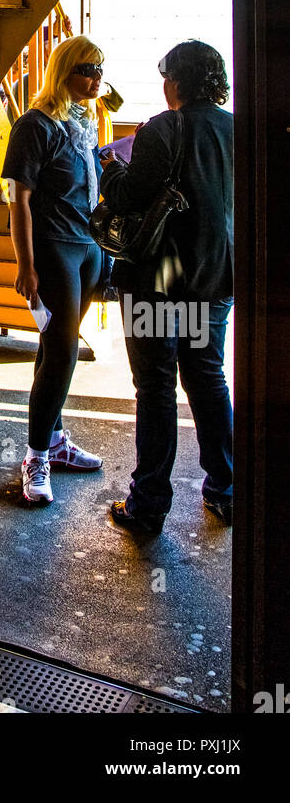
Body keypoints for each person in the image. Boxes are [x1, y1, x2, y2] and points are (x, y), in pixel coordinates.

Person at [100, 41, 233, 534]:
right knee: (207, 377)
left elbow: (130, 197)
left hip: (159, 280)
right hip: (215, 277)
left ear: (176, 81)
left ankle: (149, 503)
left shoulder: (164, 126)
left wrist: (113, 169)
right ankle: (225, 487)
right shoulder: (237, 129)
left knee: (155, 386)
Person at [2, 36, 107, 504]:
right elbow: (18, 200)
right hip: (54, 249)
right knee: (63, 350)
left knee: (55, 347)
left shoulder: (86, 124)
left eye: (101, 69)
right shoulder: (35, 125)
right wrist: (26, 264)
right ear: (63, 69)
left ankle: (55, 441)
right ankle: (36, 456)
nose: (97, 78)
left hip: (87, 248)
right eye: (88, 68)